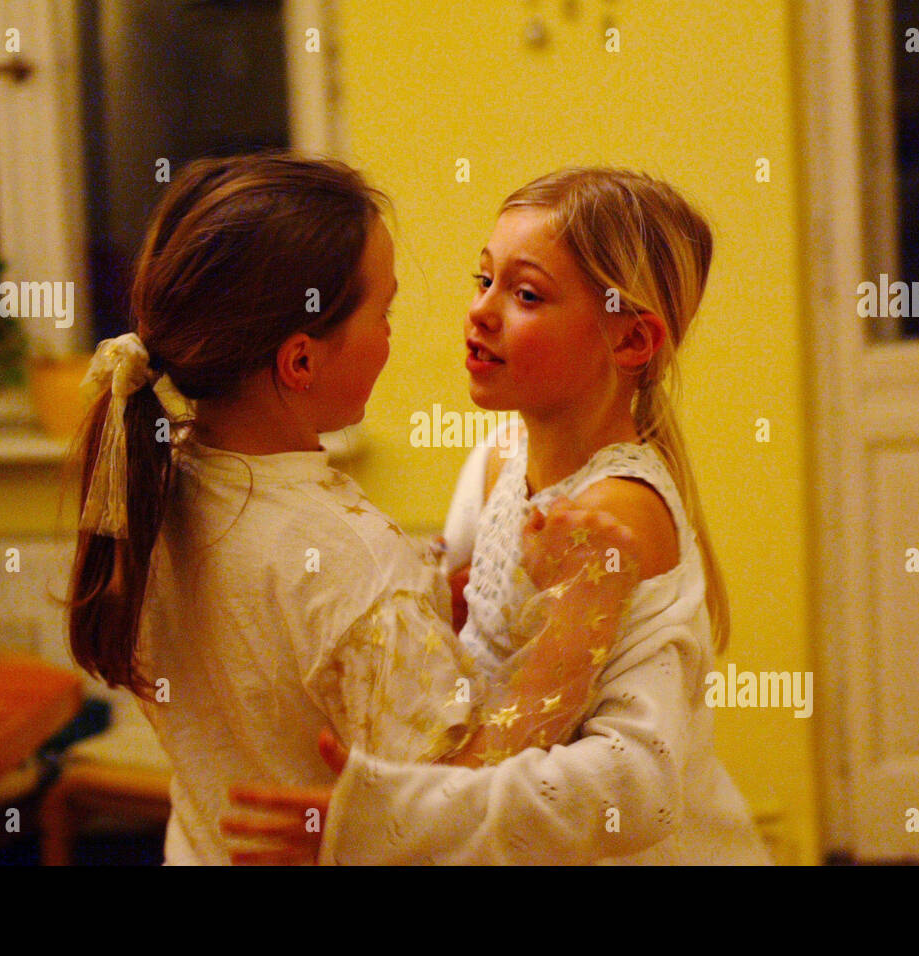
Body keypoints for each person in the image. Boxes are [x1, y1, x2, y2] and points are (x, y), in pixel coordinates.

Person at [64, 152, 646, 865]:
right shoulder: (351, 566)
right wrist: (581, 608)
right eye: (384, 311)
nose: (395, 334)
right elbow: (464, 803)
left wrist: (425, 607)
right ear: (301, 360)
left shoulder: (161, 484)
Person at [226, 166, 772, 865]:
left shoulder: (620, 516)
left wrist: (391, 818)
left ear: (632, 342)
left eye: (526, 294)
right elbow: (455, 627)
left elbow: (537, 724)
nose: (482, 311)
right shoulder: (496, 455)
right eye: (483, 280)